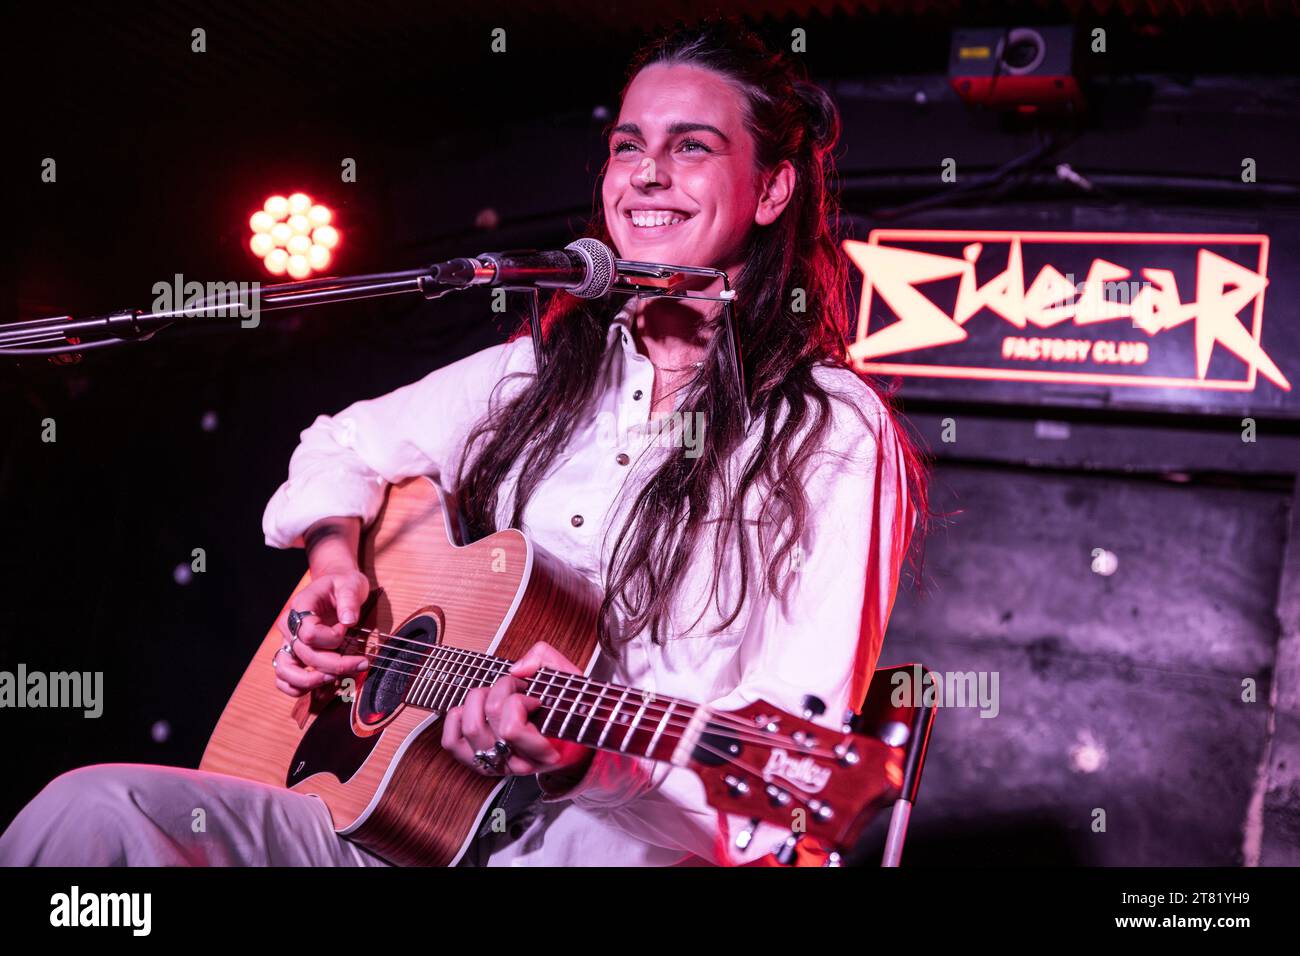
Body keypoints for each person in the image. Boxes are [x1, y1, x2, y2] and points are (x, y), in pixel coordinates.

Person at [0, 19, 927, 867]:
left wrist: (579, 763)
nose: (646, 174)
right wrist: (335, 565)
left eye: (691, 148)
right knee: (92, 815)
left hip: (610, 851)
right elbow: (342, 444)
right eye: (627, 147)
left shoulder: (831, 426)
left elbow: (778, 797)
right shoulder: (542, 370)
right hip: (394, 825)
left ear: (771, 189)